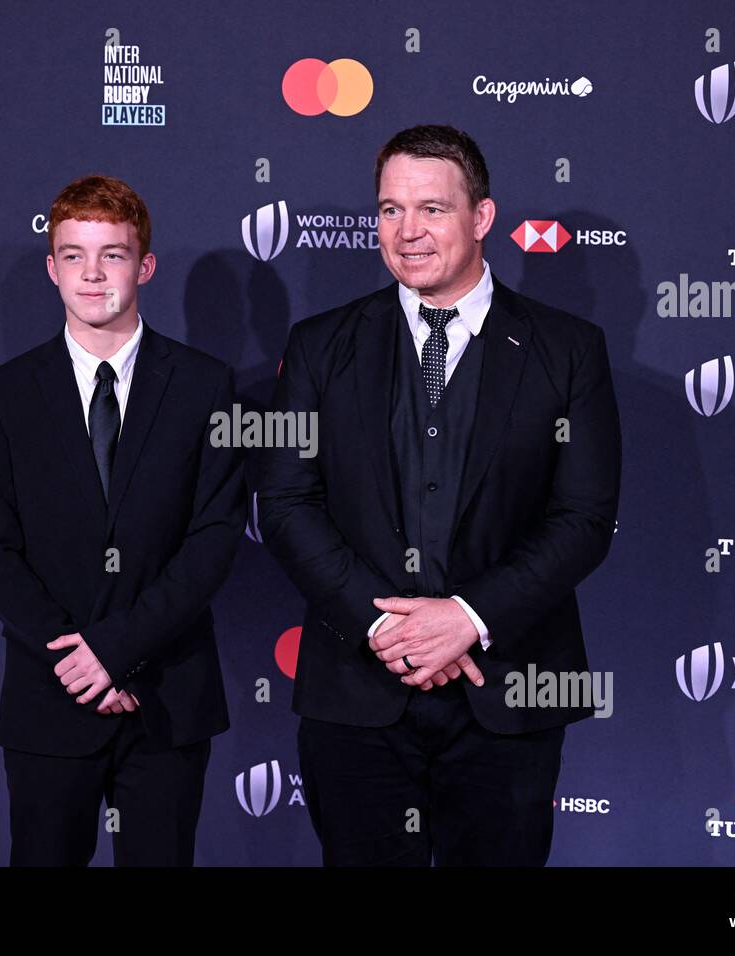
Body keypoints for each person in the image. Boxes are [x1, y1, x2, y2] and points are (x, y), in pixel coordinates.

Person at [252, 124, 622, 866]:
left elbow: (583, 517)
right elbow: (287, 502)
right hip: (356, 690)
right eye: (390, 210)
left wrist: (467, 617)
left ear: (481, 218)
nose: (408, 232)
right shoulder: (322, 344)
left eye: (432, 209)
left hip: (508, 689)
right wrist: (385, 628)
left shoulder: (567, 349)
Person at [0, 174, 245, 866]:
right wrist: (77, 658)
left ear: (144, 266)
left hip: (167, 697)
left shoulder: (206, 386)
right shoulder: (6, 394)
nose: (93, 274)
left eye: (113, 254)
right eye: (74, 255)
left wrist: (116, 651)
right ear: (51, 266)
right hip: (48, 695)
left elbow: (213, 540)